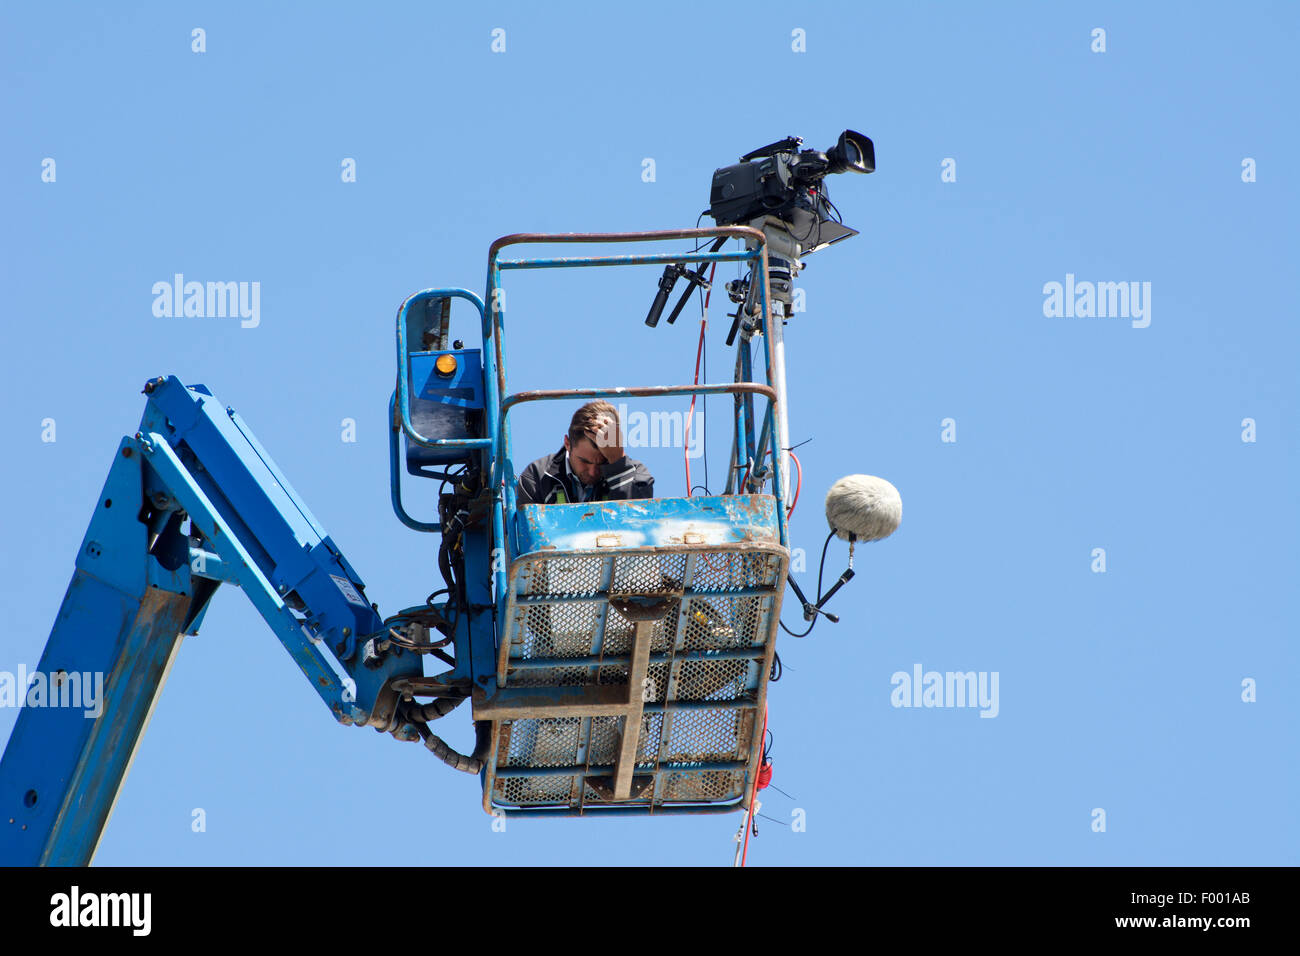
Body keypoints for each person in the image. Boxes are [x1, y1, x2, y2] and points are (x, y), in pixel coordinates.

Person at [515, 400, 654, 504]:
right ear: (567, 443)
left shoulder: (637, 475)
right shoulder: (537, 476)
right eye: (585, 461)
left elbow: (636, 528)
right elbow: (524, 536)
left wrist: (618, 465)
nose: (593, 471)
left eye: (603, 462)